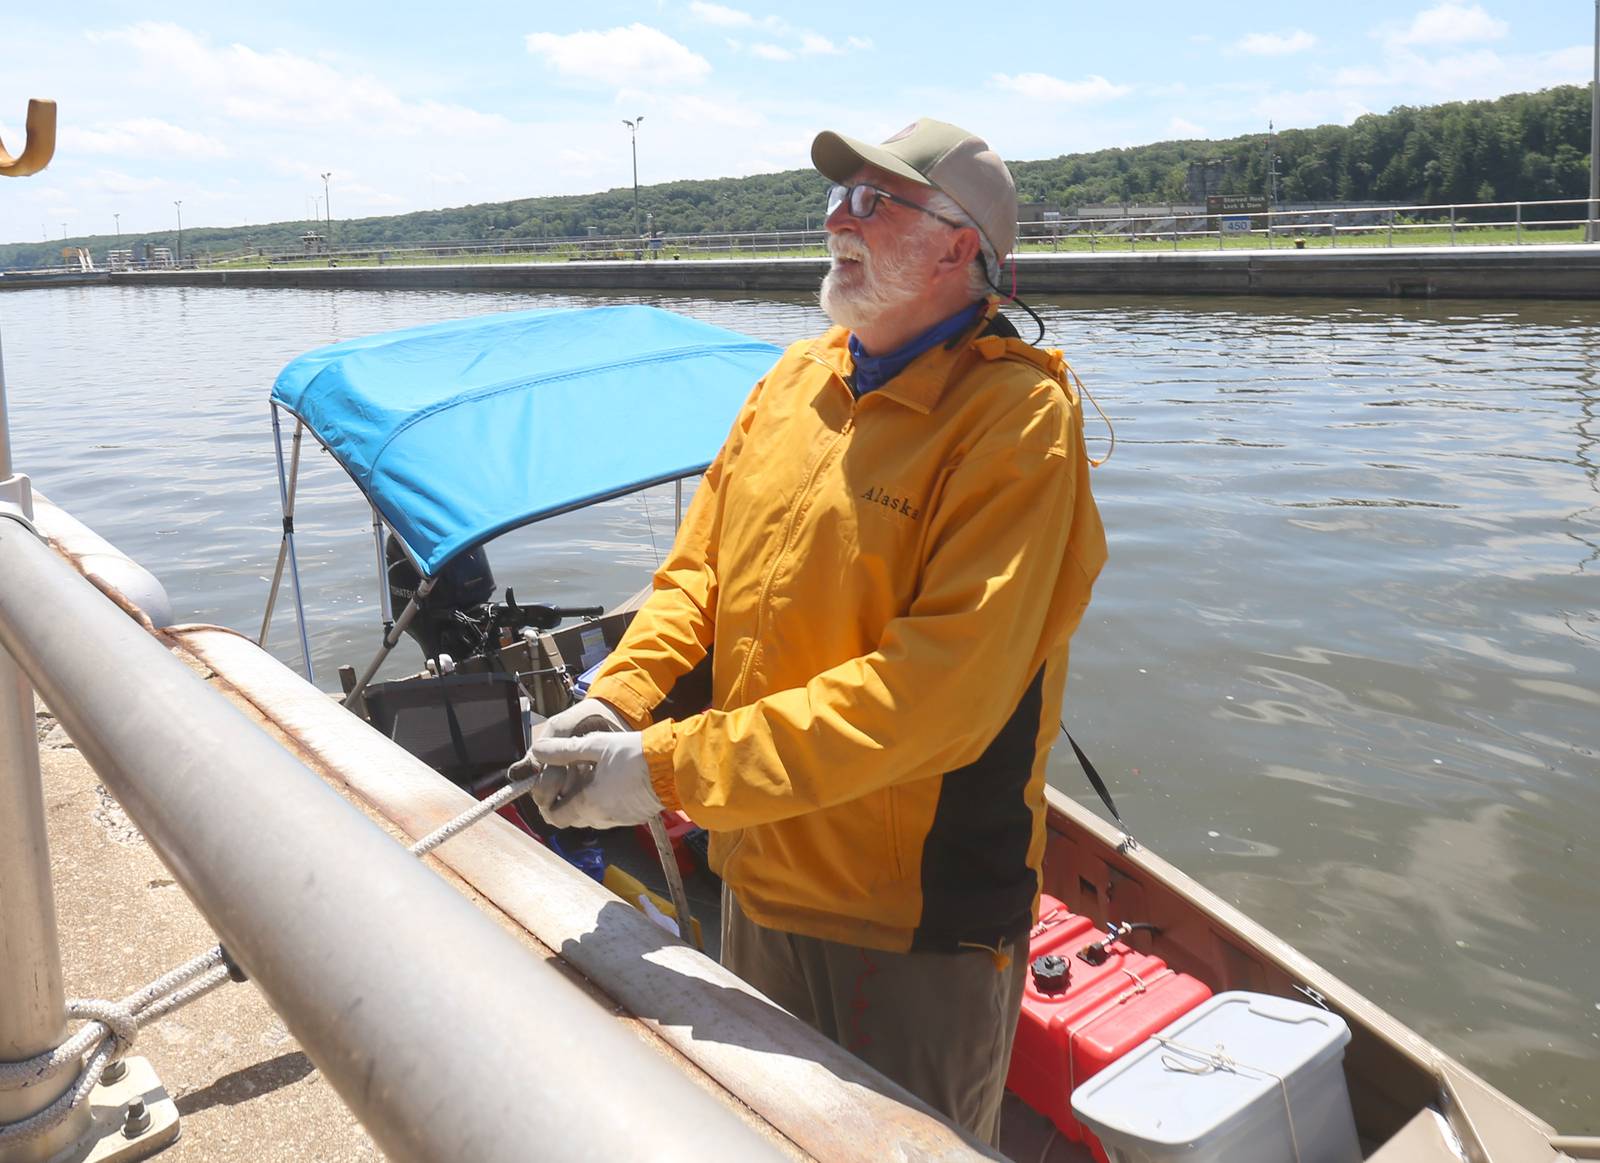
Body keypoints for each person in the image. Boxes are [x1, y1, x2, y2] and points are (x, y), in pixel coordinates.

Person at [519, 117, 1106, 1144]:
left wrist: (660, 770)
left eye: (875, 200)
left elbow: (931, 699)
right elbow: (699, 571)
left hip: (913, 926)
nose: (839, 217)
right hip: (758, 875)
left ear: (960, 247)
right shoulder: (795, 380)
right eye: (836, 198)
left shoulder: (1015, 425)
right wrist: (618, 695)